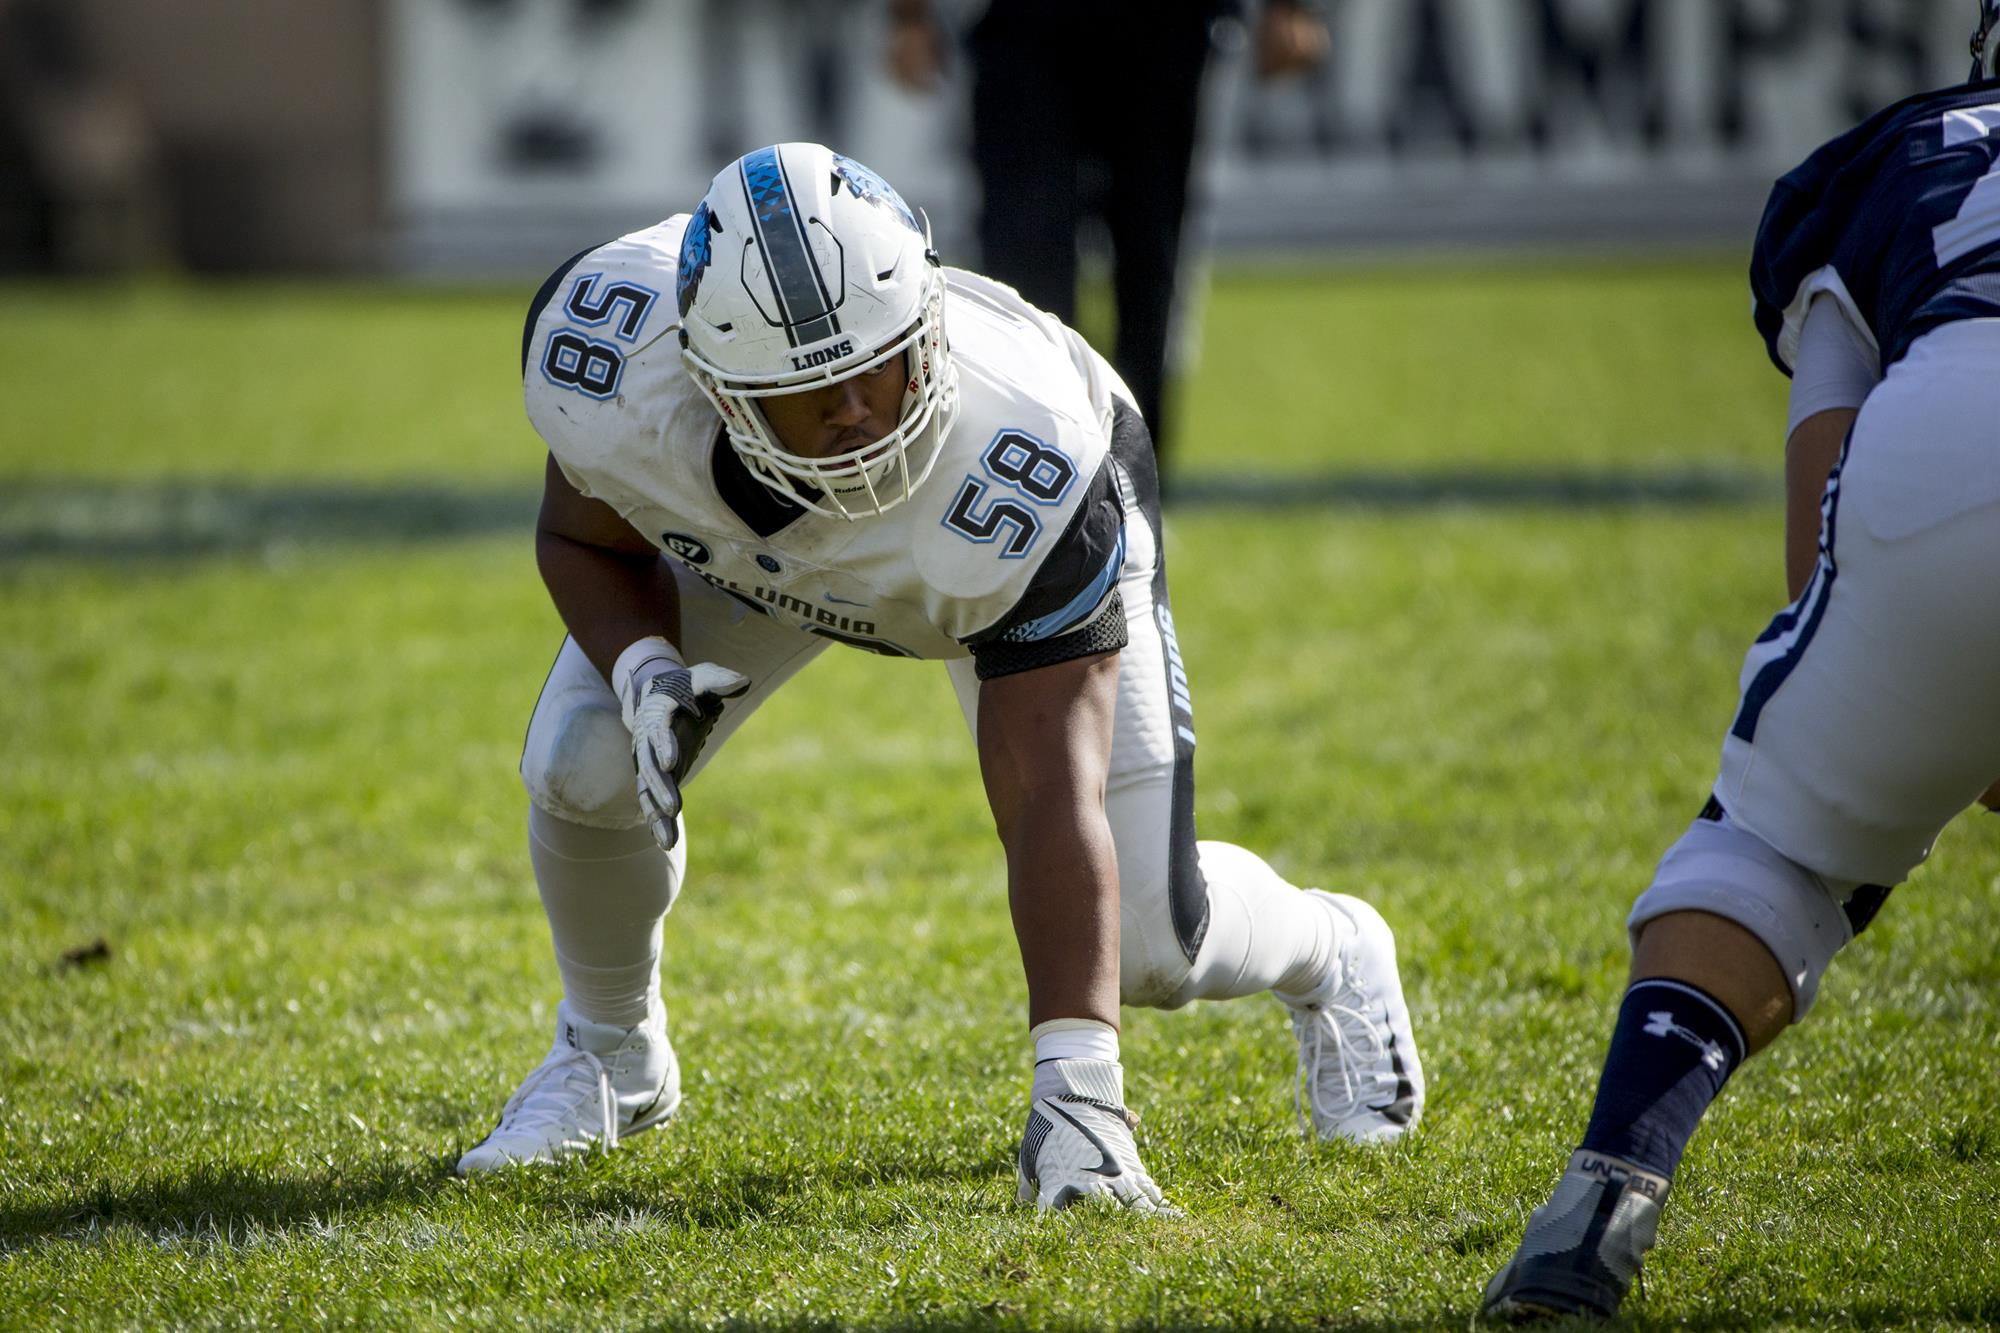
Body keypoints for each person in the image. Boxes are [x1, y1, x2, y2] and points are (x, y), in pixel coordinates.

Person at [455, 142, 1424, 1209]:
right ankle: (610, 1057)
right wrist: (642, 669)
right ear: (716, 386)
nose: (854, 413)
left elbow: (1048, 793)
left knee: (1153, 946)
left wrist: (1078, 1091)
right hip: (749, 547)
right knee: (585, 759)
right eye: (806, 393)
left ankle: (1331, 949)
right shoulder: (613, 355)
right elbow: (586, 536)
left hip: (976, 551)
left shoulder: (1028, 459)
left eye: (875, 365)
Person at [1483, 4, 2000, 1318]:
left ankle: (1606, 1194)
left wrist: (1923, 694)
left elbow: (1820, 517)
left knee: (1775, 849)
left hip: (1954, 451)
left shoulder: (1903, 155)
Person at [885, 0, 1328, 477]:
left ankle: (1139, 491)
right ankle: (1038, 477)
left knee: (1152, 273)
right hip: (1023, 27)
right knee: (1026, 282)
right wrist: (910, 16)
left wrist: (1289, 7)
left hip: (1165, 26)